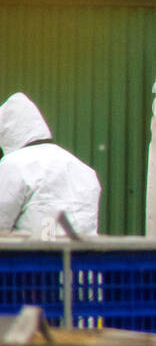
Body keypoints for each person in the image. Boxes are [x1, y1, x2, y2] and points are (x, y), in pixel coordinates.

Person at [0, 91, 100, 237]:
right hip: (84, 256)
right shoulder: (82, 168)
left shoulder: (14, 164)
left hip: (35, 256)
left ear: (7, 134)